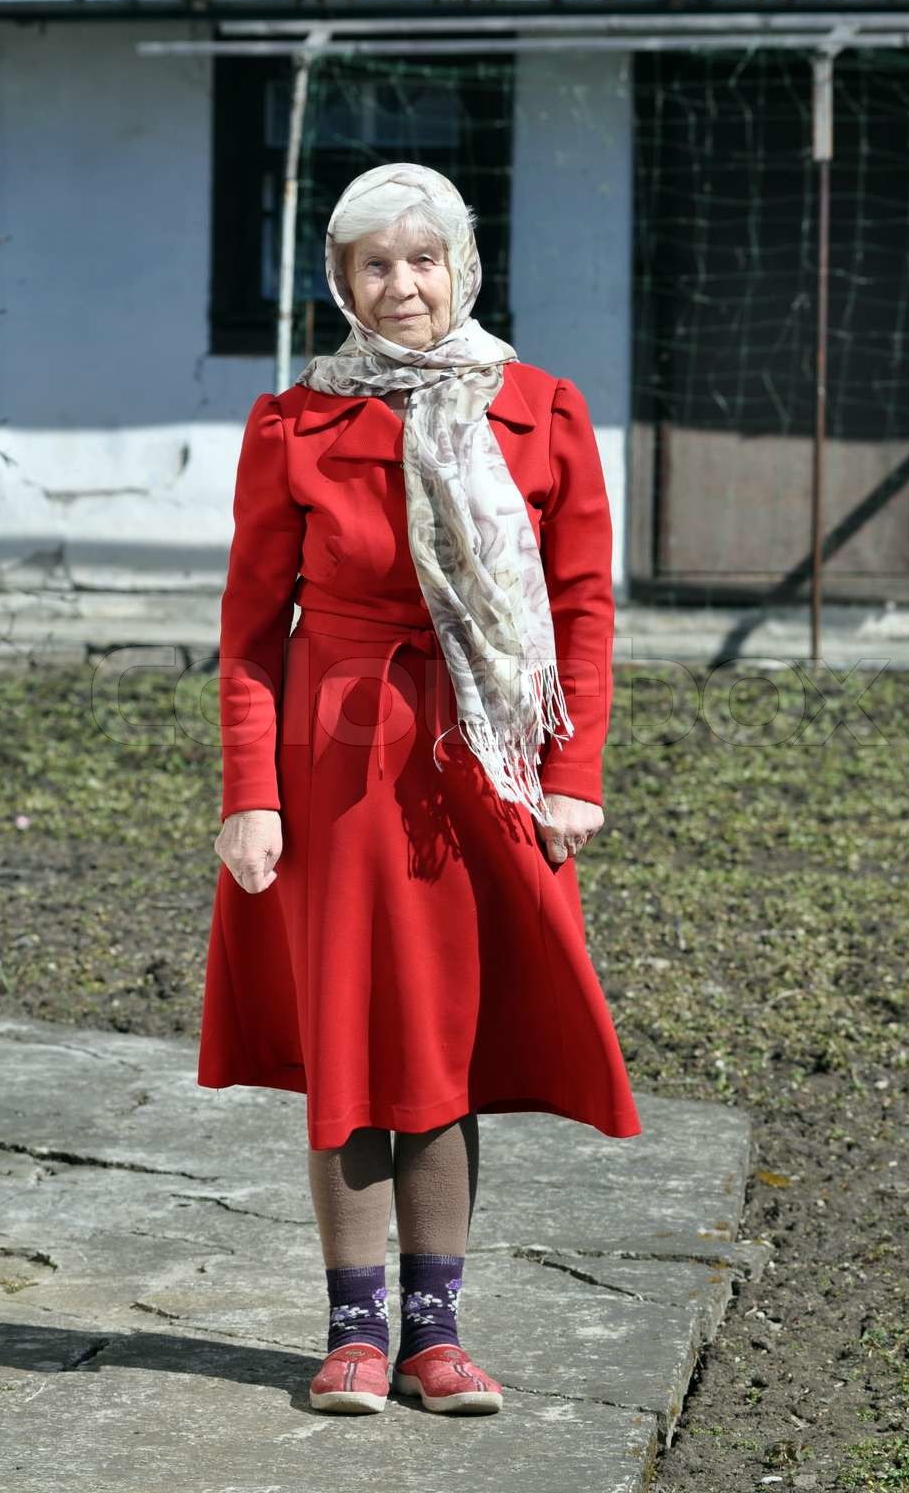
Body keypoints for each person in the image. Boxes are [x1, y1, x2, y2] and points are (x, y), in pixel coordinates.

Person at [198, 162, 641, 1416]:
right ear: (341, 283)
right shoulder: (293, 422)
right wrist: (250, 793)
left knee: (443, 1039)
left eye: (421, 259)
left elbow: (581, 609)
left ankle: (436, 1338)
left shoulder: (543, 408)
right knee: (350, 1031)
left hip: (485, 766)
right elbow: (246, 631)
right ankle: (350, 1334)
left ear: (462, 265)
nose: (401, 285)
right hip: (332, 768)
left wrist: (573, 776)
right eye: (373, 265)